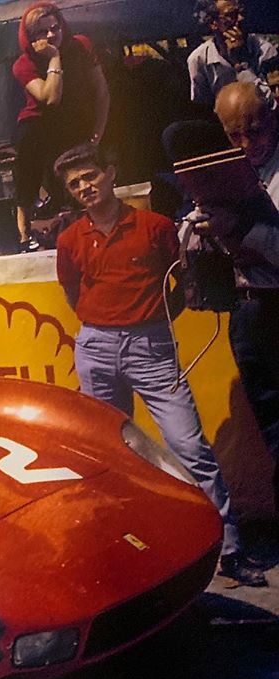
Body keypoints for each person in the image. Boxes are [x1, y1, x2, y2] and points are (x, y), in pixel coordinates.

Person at [54, 143, 265, 586]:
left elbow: (181, 284)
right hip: (95, 349)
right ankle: (124, 554)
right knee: (107, 456)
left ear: (110, 173)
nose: (85, 187)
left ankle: (228, 551)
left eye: (90, 176)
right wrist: (104, 327)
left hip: (151, 348)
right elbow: (73, 292)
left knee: (190, 448)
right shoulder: (69, 239)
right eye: (75, 184)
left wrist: (148, 323)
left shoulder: (155, 227)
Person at [193, 81, 279, 530]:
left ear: (273, 117)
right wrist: (201, 229)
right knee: (272, 428)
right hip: (248, 311)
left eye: (255, 130)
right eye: (234, 136)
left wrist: (240, 229)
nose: (247, 144)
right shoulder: (226, 173)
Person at [12, 2, 109, 250]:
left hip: (76, 121)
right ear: (31, 38)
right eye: (42, 32)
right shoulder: (23, 64)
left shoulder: (81, 46)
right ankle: (23, 229)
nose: (51, 34)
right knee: (28, 140)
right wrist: (54, 57)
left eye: (55, 28)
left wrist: (97, 135)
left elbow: (101, 92)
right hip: (41, 125)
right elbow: (51, 98)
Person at [187, 0, 277, 108]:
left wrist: (241, 63)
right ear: (213, 23)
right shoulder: (199, 59)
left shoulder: (264, 50)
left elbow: (272, 104)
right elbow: (202, 107)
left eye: (241, 13)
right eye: (231, 15)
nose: (240, 18)